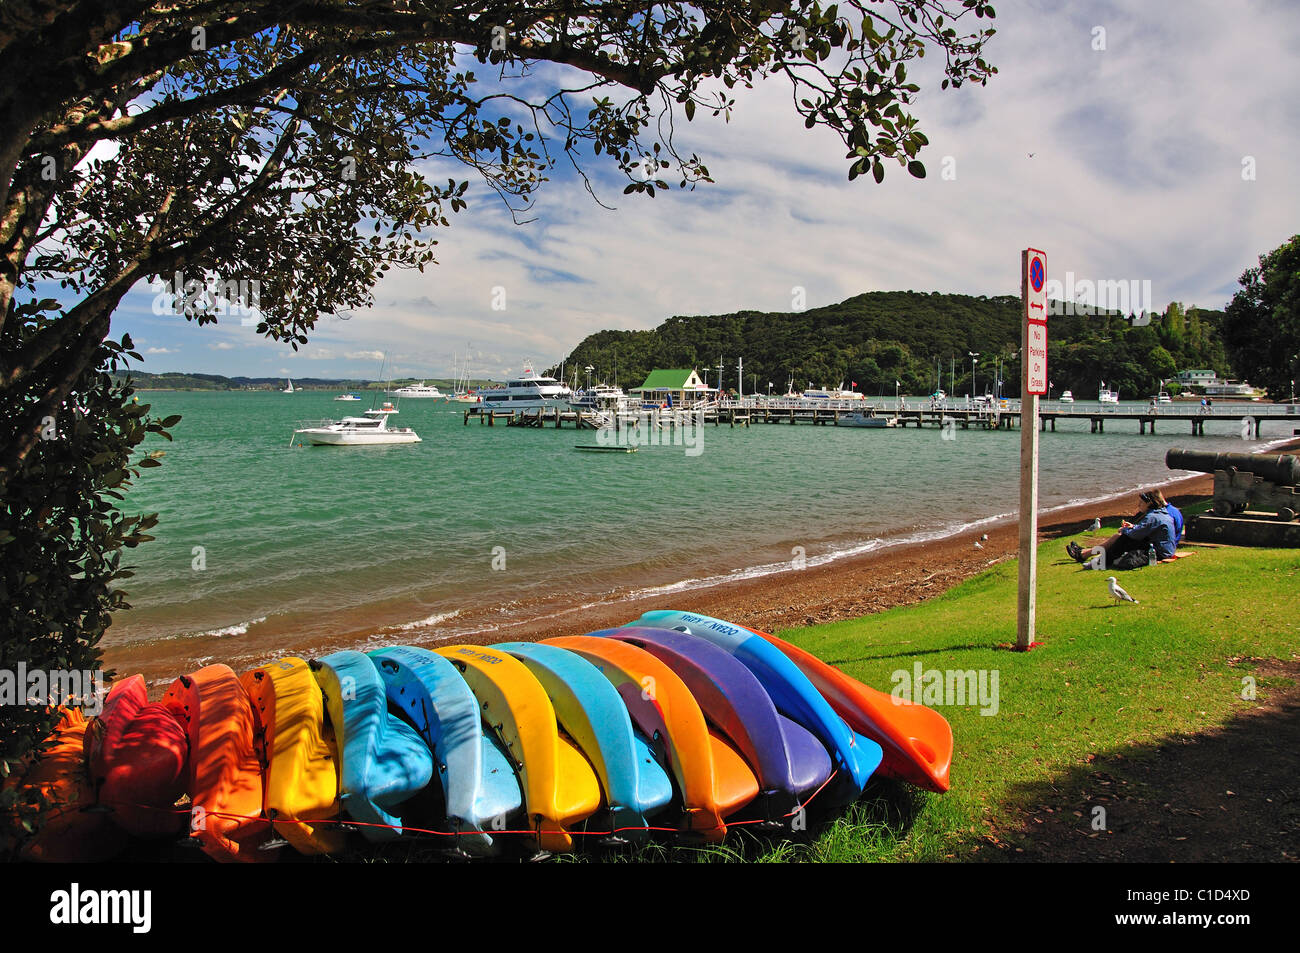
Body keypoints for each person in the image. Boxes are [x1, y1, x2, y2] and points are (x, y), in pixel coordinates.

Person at [1066, 490, 1177, 570]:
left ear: (1149, 503)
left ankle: (1098, 561)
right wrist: (1132, 527)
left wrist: (1125, 530)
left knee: (1123, 539)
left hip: (1159, 551)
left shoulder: (1152, 517)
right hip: (1165, 549)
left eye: (1141, 503)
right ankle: (1092, 557)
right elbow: (1144, 530)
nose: (1139, 505)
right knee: (1121, 537)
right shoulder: (1161, 513)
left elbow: (1135, 535)